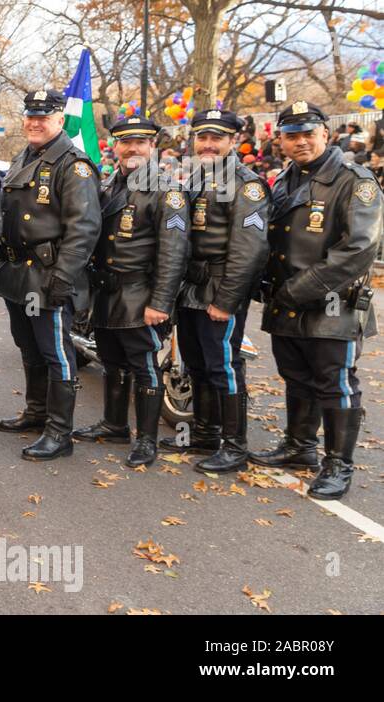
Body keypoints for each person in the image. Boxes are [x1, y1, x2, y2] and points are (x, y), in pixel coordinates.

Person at [251, 101, 382, 499]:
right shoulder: (286, 178)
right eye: (292, 135)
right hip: (287, 302)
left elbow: (358, 248)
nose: (301, 141)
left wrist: (300, 289)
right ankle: (299, 446)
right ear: (281, 140)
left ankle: (338, 465)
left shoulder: (354, 180)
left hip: (331, 305)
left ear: (326, 134)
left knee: (336, 383)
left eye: (309, 133)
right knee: (297, 378)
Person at [72, 116, 189, 468]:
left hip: (141, 294)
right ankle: (114, 423)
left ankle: (147, 440)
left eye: (140, 142)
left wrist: (161, 302)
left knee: (144, 368)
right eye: (125, 142)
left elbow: (174, 251)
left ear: (152, 147)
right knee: (112, 363)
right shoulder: (111, 184)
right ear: (116, 147)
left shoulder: (166, 189)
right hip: (108, 295)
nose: (132, 148)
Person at [0, 90, 102, 461]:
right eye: (30, 116)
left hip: (48, 274)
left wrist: (63, 278)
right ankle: (36, 412)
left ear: (59, 121)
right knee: (29, 348)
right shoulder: (26, 156)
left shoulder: (74, 164)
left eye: (44, 117)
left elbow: (83, 228)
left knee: (57, 354)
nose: (35, 122)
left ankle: (59, 432)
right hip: (19, 274)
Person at [159, 109, 269, 475]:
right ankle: (206, 432)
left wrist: (226, 300)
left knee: (224, 367)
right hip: (191, 288)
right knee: (197, 365)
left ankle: (235, 445)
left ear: (233, 141)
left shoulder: (246, 185)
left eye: (217, 138)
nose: (207, 144)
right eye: (202, 137)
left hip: (220, 288)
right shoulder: (197, 178)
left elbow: (249, 249)